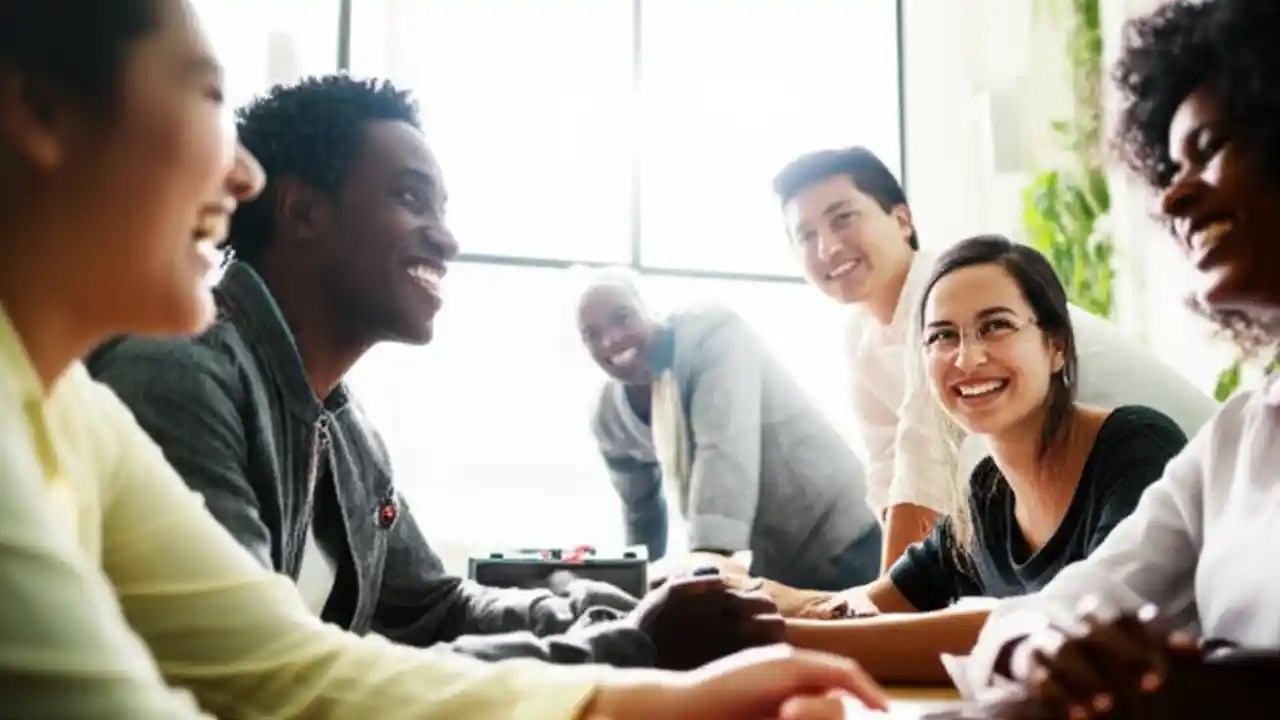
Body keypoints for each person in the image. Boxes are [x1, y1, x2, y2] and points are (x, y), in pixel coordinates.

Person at [0, 1, 890, 717]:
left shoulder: (79, 409)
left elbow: (289, 664)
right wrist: (636, 658)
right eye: (203, 98)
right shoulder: (171, 374)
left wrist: (635, 683)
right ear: (40, 109)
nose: (242, 179)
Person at [86, 72, 781, 670]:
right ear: (302, 211)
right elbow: (249, 669)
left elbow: (432, 606)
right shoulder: (178, 372)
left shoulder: (343, 426)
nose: (446, 237)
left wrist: (586, 613)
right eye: (411, 199)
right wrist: (624, 645)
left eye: (441, 209)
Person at [966, 1, 1280, 718]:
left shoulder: (1133, 442)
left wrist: (1224, 694)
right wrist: (1043, 649)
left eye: (1210, 148)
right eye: (1169, 166)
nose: (1175, 194)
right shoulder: (1236, 440)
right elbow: (1042, 613)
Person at [772, 145, 1217, 572]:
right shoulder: (861, 338)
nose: (827, 248)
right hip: (1099, 508)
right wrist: (887, 597)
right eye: (805, 236)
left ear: (902, 219)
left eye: (843, 218)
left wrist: (884, 615)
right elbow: (888, 473)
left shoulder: (941, 293)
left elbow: (923, 461)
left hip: (1191, 470)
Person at [779, 236, 1187, 683]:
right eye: (942, 336)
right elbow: (876, 605)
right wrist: (764, 609)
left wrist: (781, 639)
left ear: (1056, 346)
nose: (967, 358)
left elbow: (1076, 627)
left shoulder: (1136, 446)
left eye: (995, 326)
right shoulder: (988, 495)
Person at [579, 269, 882, 593]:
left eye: (623, 317)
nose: (611, 340)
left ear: (647, 309)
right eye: (592, 334)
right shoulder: (609, 416)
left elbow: (722, 451)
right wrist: (635, 589)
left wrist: (707, 561)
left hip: (836, 536)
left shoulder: (711, 333)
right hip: (770, 565)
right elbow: (641, 513)